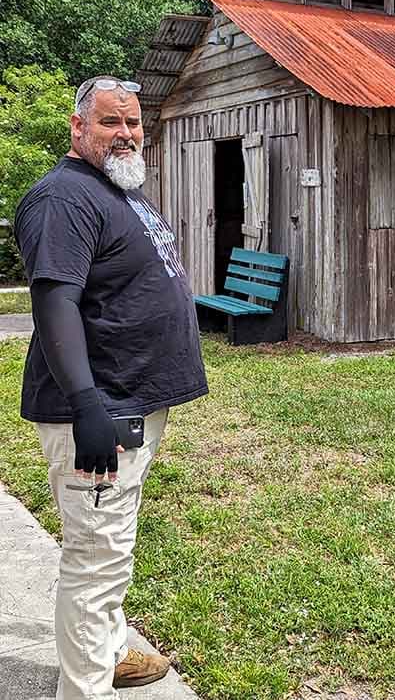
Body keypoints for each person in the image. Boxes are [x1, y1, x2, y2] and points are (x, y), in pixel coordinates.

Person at [14, 76, 208, 699]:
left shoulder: (114, 188)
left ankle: (111, 650)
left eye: (133, 124)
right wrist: (86, 404)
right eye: (109, 123)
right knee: (95, 560)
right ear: (77, 128)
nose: (125, 134)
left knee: (109, 547)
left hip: (131, 401)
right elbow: (54, 302)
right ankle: (87, 687)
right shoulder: (62, 198)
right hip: (101, 413)